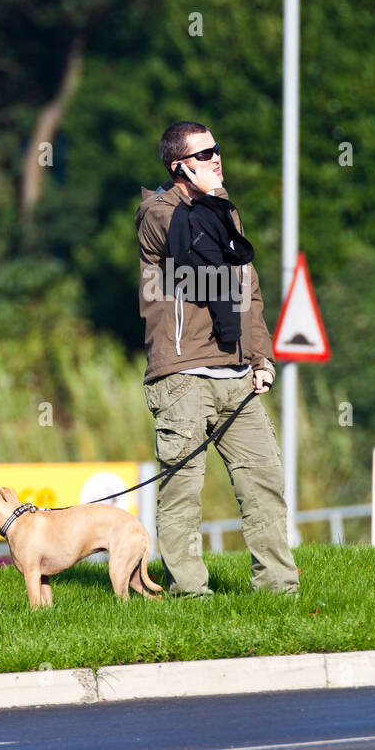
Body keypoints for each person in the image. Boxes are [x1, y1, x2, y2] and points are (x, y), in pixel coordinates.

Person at [134, 120, 300, 598]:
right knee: (183, 492)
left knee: (264, 480)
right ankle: (190, 593)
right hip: (182, 375)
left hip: (236, 373)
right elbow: (190, 245)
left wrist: (261, 358)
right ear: (178, 166)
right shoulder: (159, 213)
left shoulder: (224, 210)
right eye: (204, 155)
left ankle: (278, 590)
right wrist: (212, 200)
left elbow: (248, 290)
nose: (216, 159)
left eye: (216, 151)